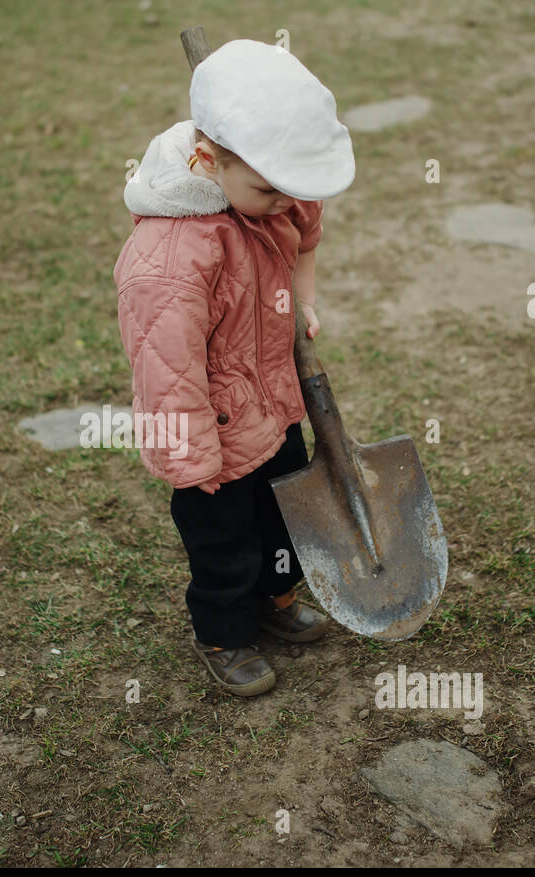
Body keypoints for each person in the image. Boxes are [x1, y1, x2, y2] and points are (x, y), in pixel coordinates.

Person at [112, 39, 356, 696]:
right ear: (207, 159)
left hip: (274, 402)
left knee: (284, 510)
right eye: (268, 189)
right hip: (208, 429)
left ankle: (275, 598)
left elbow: (306, 236)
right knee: (223, 539)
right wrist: (190, 457)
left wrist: (302, 299)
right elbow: (166, 369)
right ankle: (223, 629)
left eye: (293, 188)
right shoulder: (170, 254)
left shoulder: (277, 190)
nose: (287, 201)